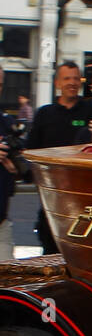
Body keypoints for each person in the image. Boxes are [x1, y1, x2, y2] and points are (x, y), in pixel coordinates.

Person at [26, 61, 92, 254]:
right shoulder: (44, 114)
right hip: (51, 195)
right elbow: (31, 151)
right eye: (67, 78)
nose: (72, 83)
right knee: (50, 252)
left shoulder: (91, 111)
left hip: (81, 197)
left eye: (76, 78)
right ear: (57, 83)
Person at [0, 69, 25, 261]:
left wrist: (15, 168)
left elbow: (21, 168)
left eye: (0, 85)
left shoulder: (6, 122)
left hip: (1, 224)